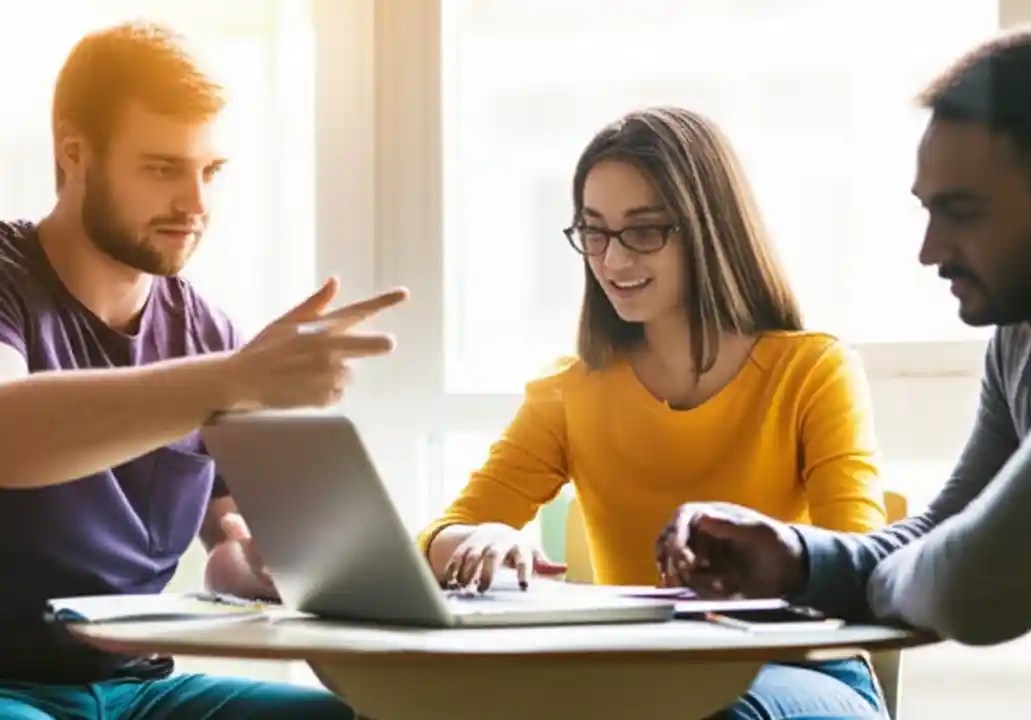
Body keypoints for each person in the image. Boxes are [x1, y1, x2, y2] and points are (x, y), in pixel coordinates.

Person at [656, 23, 1031, 646]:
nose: (931, 252)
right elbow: (942, 539)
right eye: (929, 210)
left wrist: (874, 579)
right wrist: (796, 557)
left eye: (962, 213)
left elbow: (975, 592)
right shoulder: (1023, 335)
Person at [416, 107, 890, 719]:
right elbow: (433, 540)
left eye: (643, 231)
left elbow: (858, 563)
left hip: (803, 673)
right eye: (594, 232)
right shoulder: (570, 392)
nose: (612, 262)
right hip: (643, 685)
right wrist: (477, 537)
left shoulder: (812, 371)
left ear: (707, 229)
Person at [0, 21, 406, 719]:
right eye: (162, 168)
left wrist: (259, 560)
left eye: (210, 171)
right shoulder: (10, 279)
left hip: (144, 690)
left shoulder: (207, 333)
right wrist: (234, 380)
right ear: (74, 154)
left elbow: (229, 533)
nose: (196, 204)